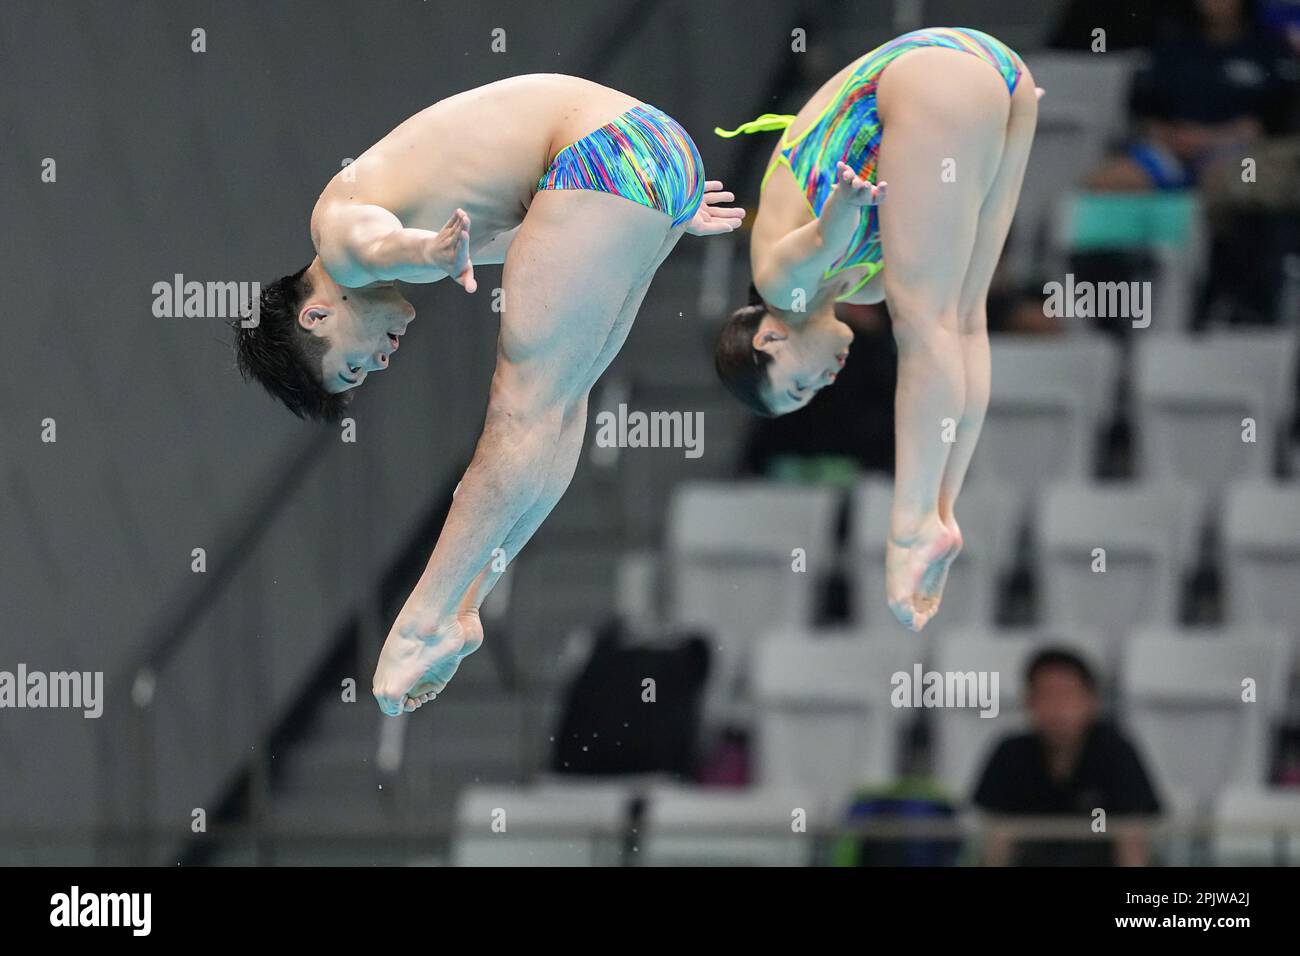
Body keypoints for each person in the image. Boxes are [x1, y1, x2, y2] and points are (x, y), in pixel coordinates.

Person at [232, 74, 744, 715]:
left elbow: (380, 245)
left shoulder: (336, 240)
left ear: (315, 320)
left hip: (605, 152)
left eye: (354, 368)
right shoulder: (410, 212)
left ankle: (422, 622)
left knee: (520, 408)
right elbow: (547, 236)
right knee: (561, 400)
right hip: (652, 156)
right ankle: (466, 602)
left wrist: (426, 250)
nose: (382, 361)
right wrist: (649, 190)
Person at [712, 28, 1040, 631]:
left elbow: (820, 240)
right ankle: (939, 512)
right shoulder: (859, 286)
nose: (823, 384)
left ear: (768, 339)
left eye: (798, 387)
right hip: (1003, 80)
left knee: (931, 325)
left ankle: (907, 530)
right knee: (964, 320)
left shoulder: (781, 289)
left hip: (931, 75)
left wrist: (843, 206)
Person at [973, 649, 1162, 866]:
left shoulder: (1117, 752)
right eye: (1046, 695)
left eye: (1066, 694)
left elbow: (1132, 837)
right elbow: (996, 841)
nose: (1057, 707)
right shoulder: (1009, 753)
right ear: (1029, 701)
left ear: (1090, 700)